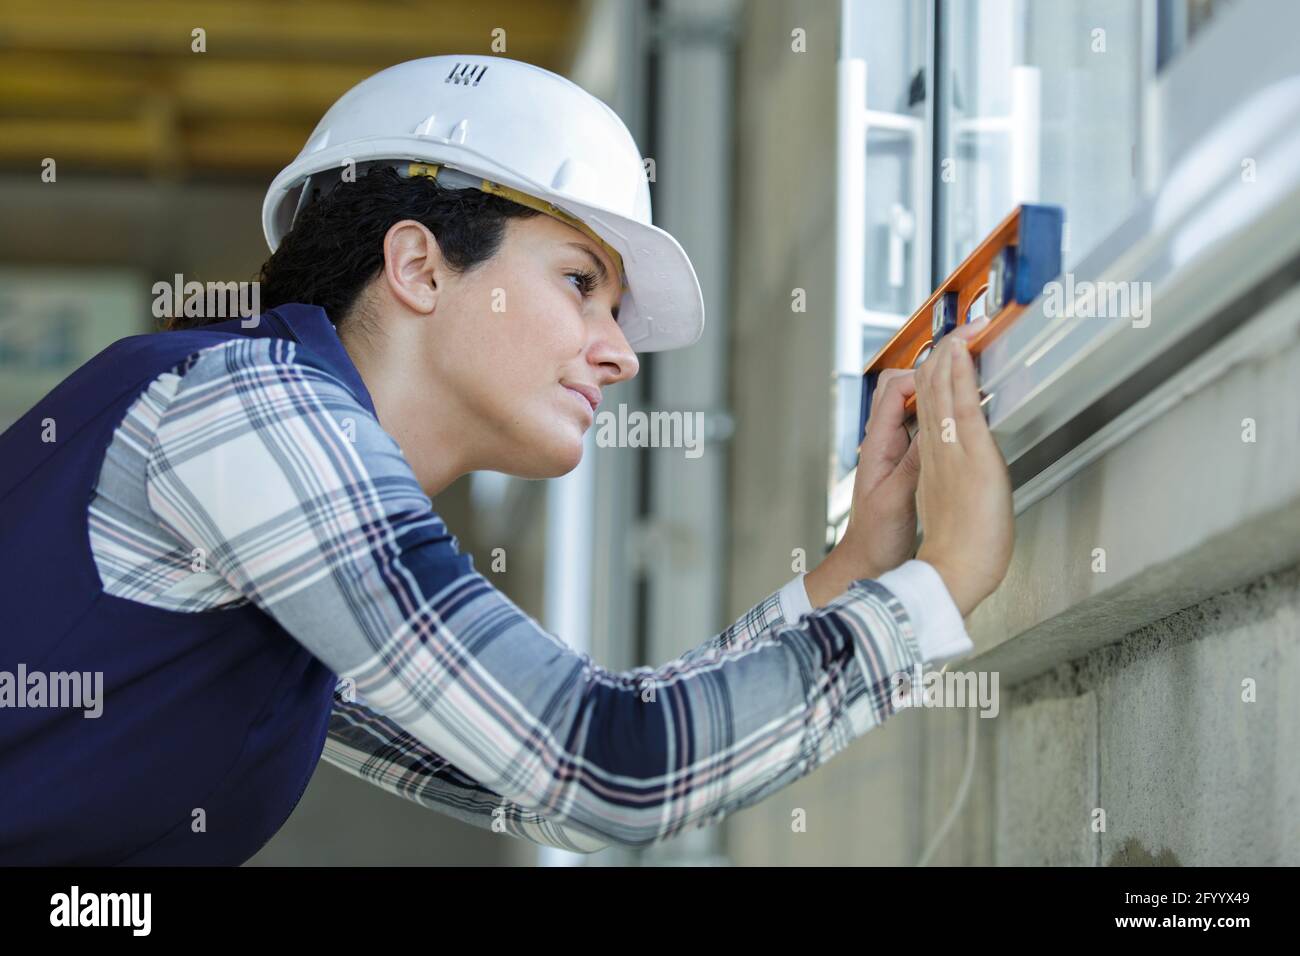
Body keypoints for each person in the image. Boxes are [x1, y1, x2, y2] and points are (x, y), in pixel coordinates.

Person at [0, 55, 1012, 864]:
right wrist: (946, 579)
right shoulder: (256, 409)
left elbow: (548, 772)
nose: (618, 354)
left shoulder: (283, 521)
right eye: (580, 282)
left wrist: (852, 579)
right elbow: (610, 768)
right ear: (419, 266)